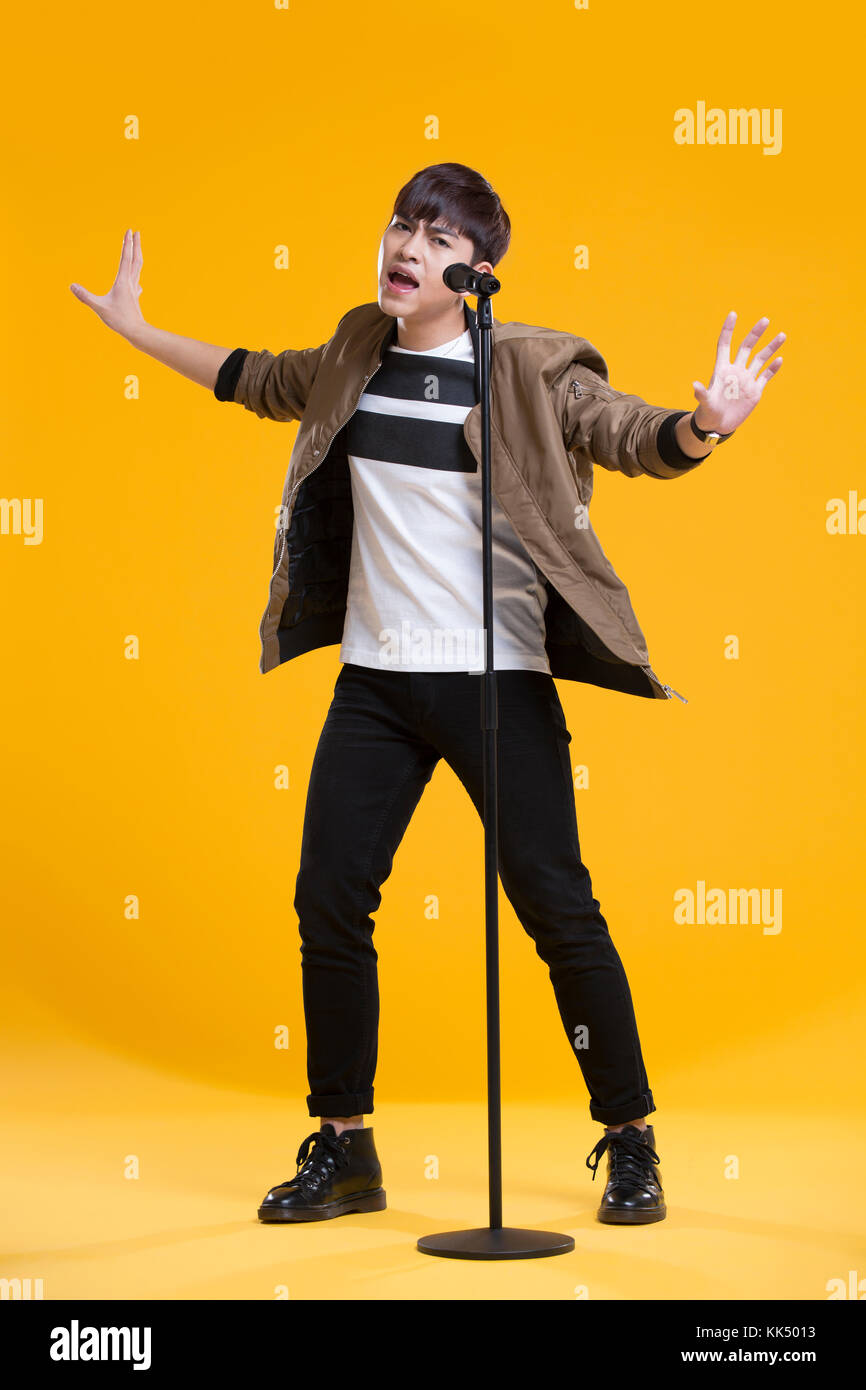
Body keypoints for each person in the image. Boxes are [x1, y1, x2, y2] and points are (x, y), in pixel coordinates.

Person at [70, 162, 784, 1228]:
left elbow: (633, 438)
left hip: (495, 678)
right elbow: (254, 376)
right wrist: (138, 332)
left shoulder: (531, 370)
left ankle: (630, 1138)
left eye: (437, 236)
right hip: (376, 678)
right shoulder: (356, 349)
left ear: (476, 271)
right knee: (328, 900)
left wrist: (705, 424)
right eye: (400, 223)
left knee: (557, 910)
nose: (407, 244)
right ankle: (344, 1147)